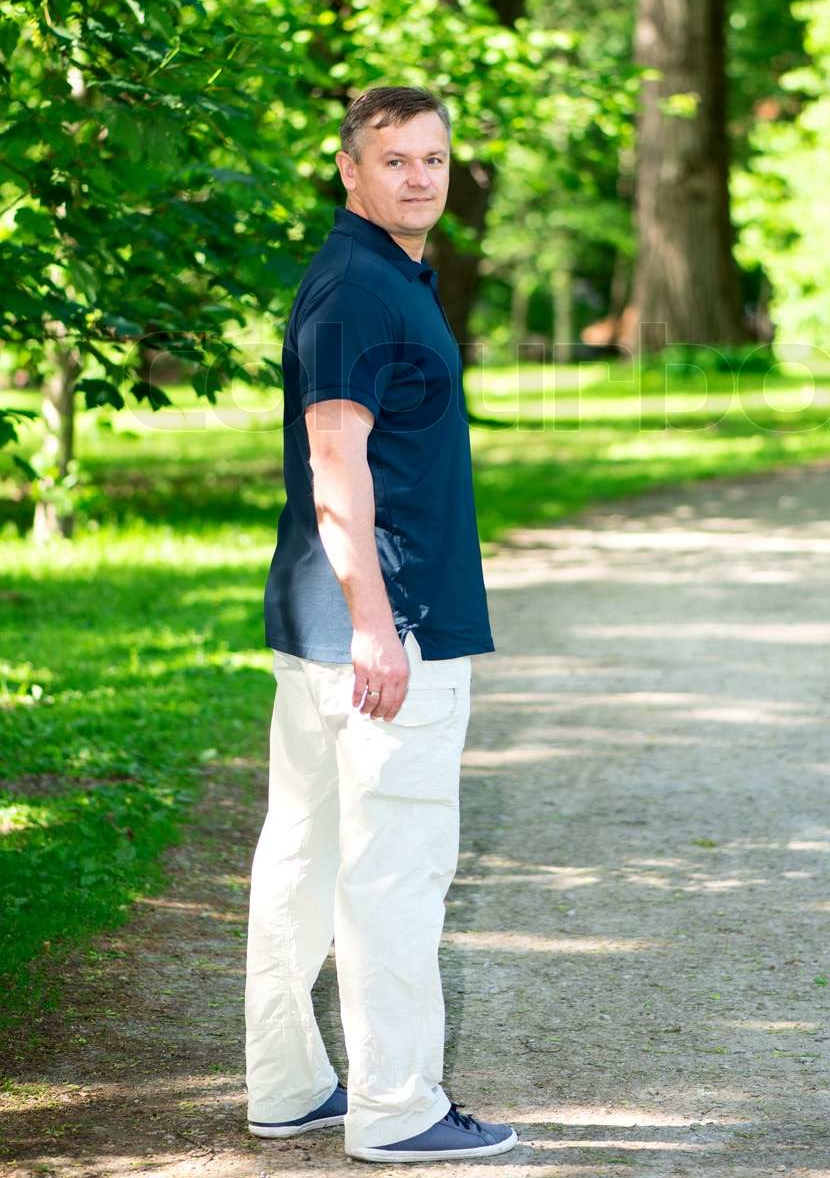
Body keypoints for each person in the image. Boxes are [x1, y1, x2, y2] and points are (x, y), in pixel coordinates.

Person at [244, 85, 518, 1163]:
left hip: (330, 620)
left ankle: (287, 1086)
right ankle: (398, 1109)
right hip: (383, 624)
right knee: (393, 870)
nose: (419, 177)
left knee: (306, 859)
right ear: (349, 169)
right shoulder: (358, 288)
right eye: (395, 159)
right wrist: (377, 625)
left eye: (435, 159)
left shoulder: (384, 275)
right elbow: (335, 462)